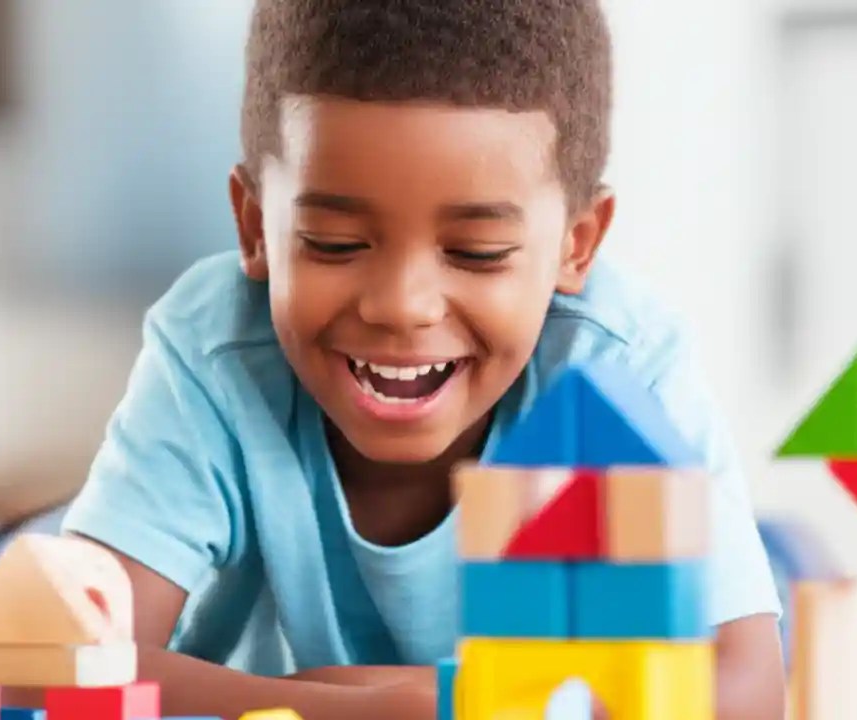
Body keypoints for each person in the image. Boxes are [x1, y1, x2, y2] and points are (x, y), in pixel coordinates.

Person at [62, 1, 786, 718]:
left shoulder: (619, 365)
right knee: (2, 582)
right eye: (334, 242)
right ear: (255, 225)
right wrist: (367, 709)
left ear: (578, 245)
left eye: (478, 253)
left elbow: (747, 693)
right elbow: (55, 665)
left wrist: (473, 705)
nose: (402, 305)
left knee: (780, 569)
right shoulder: (214, 351)